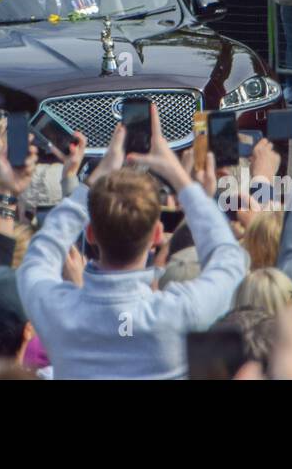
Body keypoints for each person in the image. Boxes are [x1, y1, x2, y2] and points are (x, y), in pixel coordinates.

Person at [16, 103, 246, 378]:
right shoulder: (179, 312)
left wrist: (92, 181)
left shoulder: (59, 312)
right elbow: (230, 261)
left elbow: (40, 254)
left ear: (90, 234)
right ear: (157, 235)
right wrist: (181, 180)